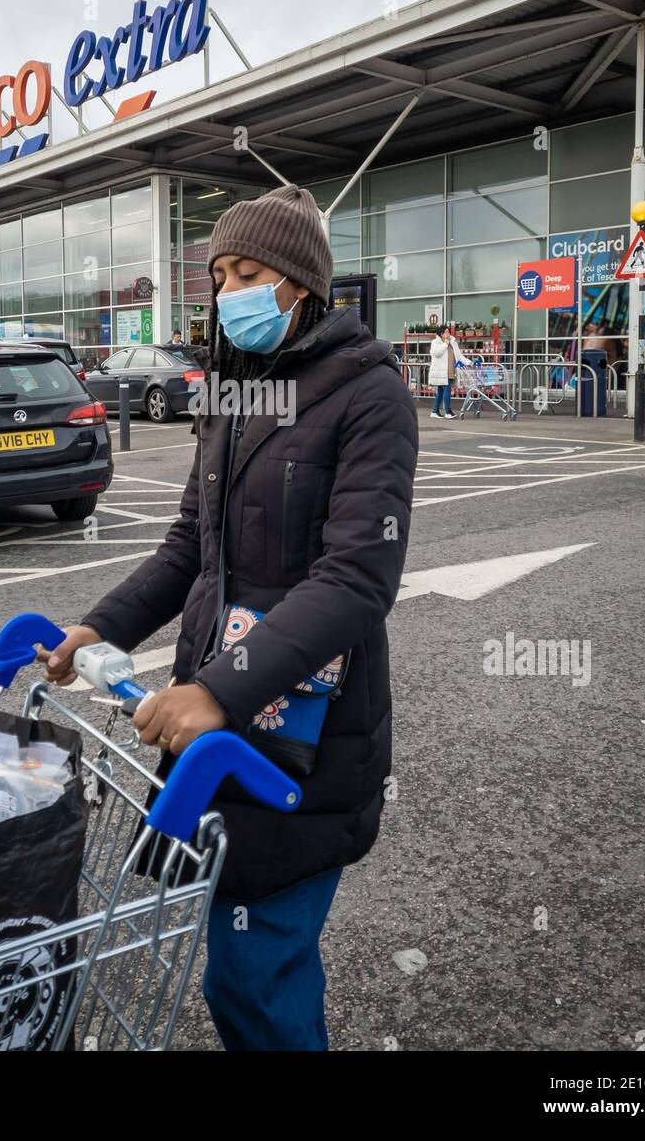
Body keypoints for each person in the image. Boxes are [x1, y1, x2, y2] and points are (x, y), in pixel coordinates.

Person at [37, 184, 418, 1052]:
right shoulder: (231, 393)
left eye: (249, 272)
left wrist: (215, 689)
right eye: (217, 275)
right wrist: (102, 628)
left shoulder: (369, 392)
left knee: (256, 977)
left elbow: (357, 578)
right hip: (222, 730)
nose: (228, 292)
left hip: (304, 737)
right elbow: (187, 551)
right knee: (233, 960)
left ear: (301, 285)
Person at [428, 326, 467, 418]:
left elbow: (459, 356)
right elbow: (436, 353)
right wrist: (445, 344)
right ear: (441, 334)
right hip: (441, 372)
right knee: (447, 390)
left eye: (448, 332)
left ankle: (435, 411)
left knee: (441, 392)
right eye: (445, 332)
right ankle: (448, 412)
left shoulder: (453, 343)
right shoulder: (435, 342)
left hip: (450, 370)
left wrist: (469, 362)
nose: (448, 334)